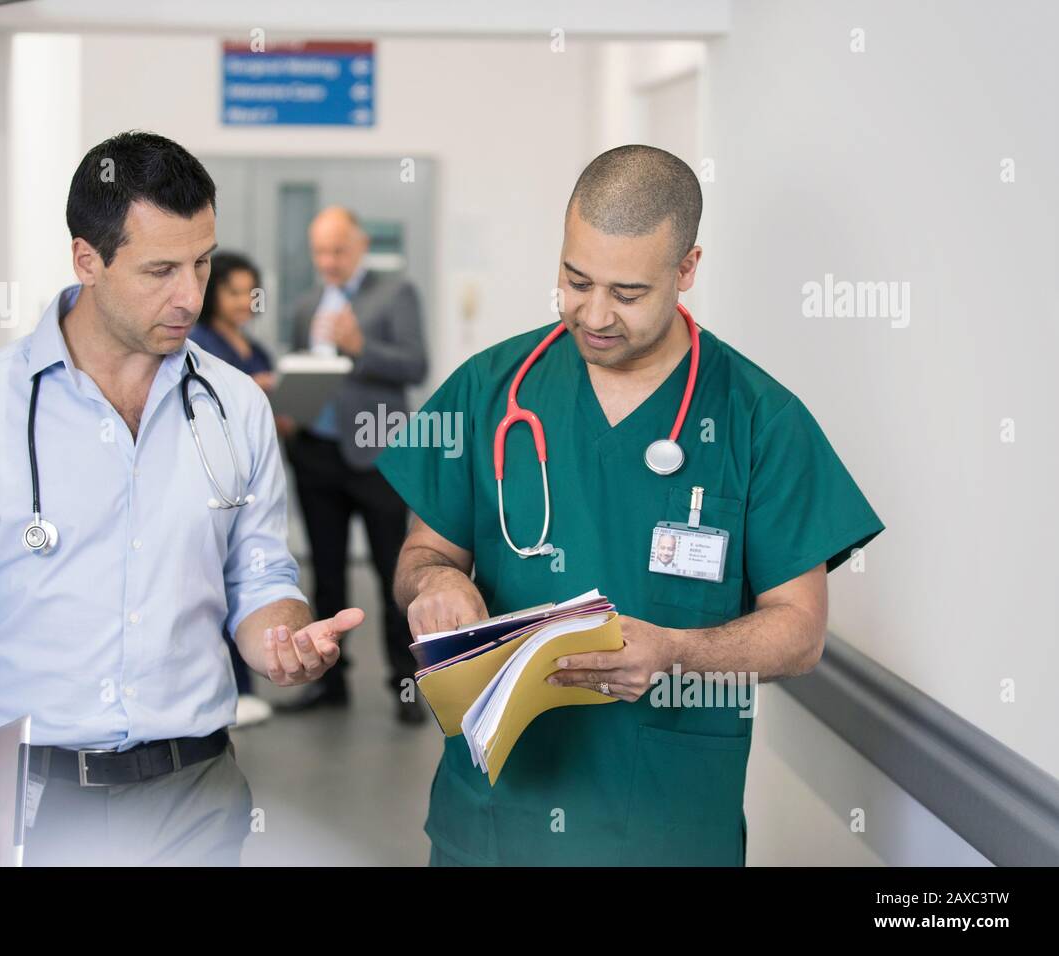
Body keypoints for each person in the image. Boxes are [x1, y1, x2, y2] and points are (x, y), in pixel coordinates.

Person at [377, 145, 884, 866]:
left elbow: (800, 634)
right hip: (492, 827)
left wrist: (677, 651)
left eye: (627, 292)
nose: (593, 313)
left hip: (669, 829)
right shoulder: (490, 389)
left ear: (686, 270)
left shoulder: (759, 419)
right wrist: (436, 582)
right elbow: (423, 554)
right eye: (574, 280)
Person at [0, 131, 363, 867]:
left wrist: (285, 640)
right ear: (87, 260)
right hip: (29, 797)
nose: (191, 296)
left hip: (197, 789)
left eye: (201, 263)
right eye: (160, 270)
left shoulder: (235, 405)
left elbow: (259, 579)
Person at [280, 206, 428, 723]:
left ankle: (406, 684)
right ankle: (329, 685)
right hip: (315, 453)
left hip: (377, 456)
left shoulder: (395, 293)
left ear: (361, 246)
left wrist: (361, 348)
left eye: (338, 250)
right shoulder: (304, 306)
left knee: (395, 571)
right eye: (321, 250)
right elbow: (303, 370)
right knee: (326, 570)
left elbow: (415, 364)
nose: (329, 260)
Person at [191, 250, 277, 728]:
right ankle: (232, 690)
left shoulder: (253, 347)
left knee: (252, 569)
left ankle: (244, 686)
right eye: (233, 290)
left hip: (249, 475)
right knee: (217, 576)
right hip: (216, 478)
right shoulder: (200, 346)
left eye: (251, 290)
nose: (245, 300)